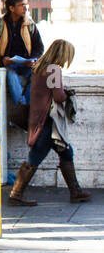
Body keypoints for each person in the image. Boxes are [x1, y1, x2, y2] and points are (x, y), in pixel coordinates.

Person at [9, 39, 91, 205]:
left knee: (66, 151)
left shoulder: (39, 67)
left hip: (37, 117)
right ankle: (16, 195)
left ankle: (75, 192)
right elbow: (58, 96)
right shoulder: (54, 69)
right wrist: (68, 95)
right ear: (62, 54)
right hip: (48, 121)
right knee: (35, 157)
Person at [0, 0, 44, 117]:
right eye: (21, 5)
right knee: (10, 74)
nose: (25, 8)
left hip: (25, 63)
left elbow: (39, 47)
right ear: (11, 8)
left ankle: (27, 107)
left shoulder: (29, 24)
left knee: (36, 74)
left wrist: (33, 60)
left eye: (26, 5)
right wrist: (2, 60)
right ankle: (22, 106)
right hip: (7, 65)